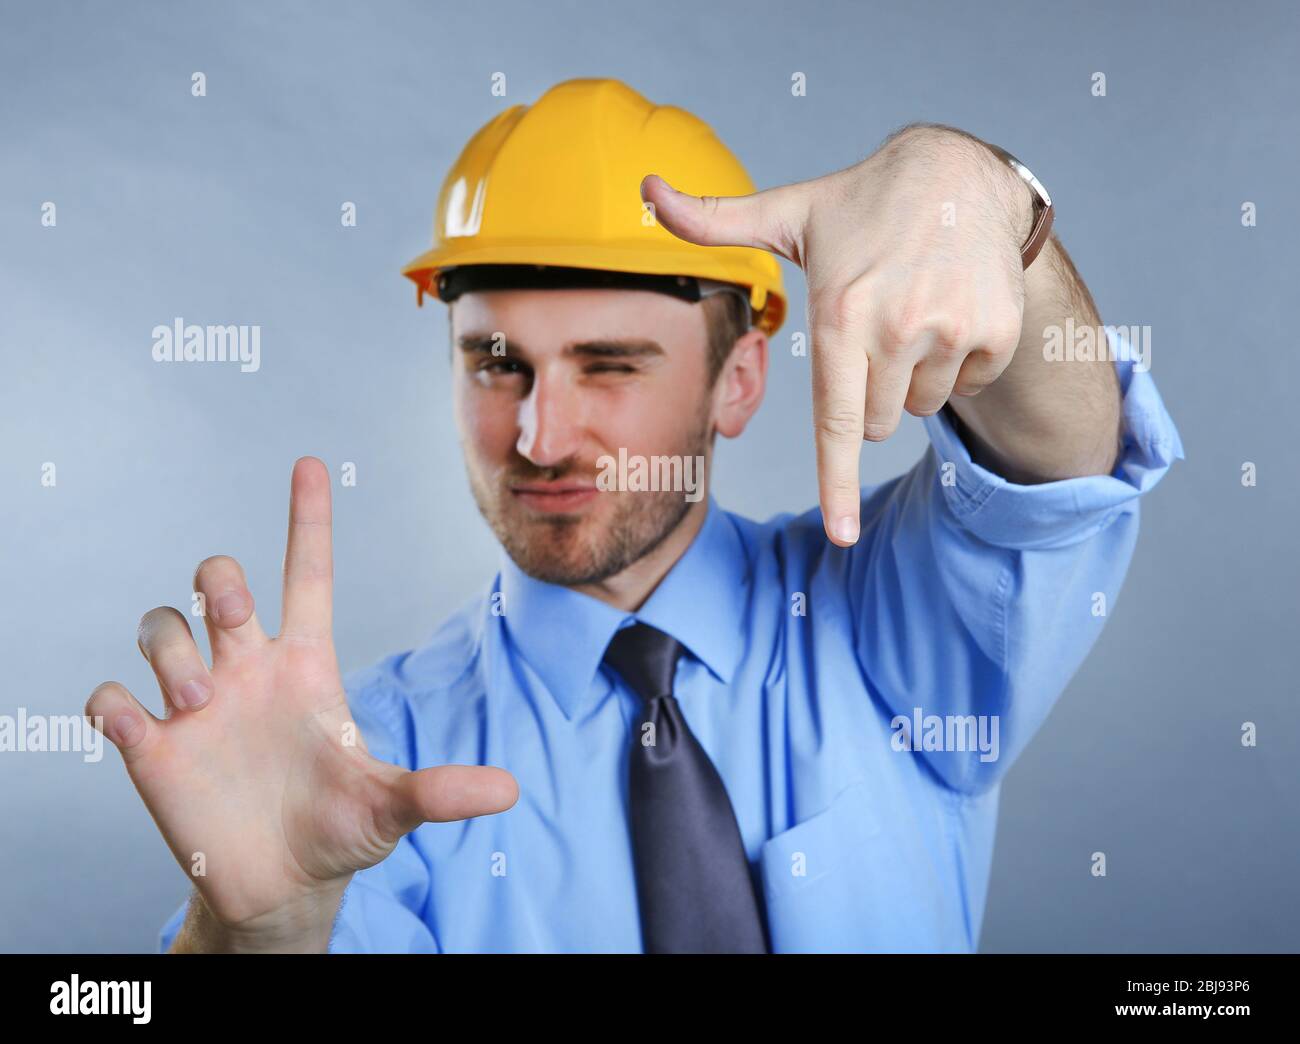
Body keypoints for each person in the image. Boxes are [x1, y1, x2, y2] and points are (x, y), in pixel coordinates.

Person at [87, 78, 1181, 953]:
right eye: (496, 363)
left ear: (738, 383)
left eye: (609, 365)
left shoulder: (887, 619)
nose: (539, 435)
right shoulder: (365, 765)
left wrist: (984, 203)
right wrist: (256, 937)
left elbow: (1059, 462)